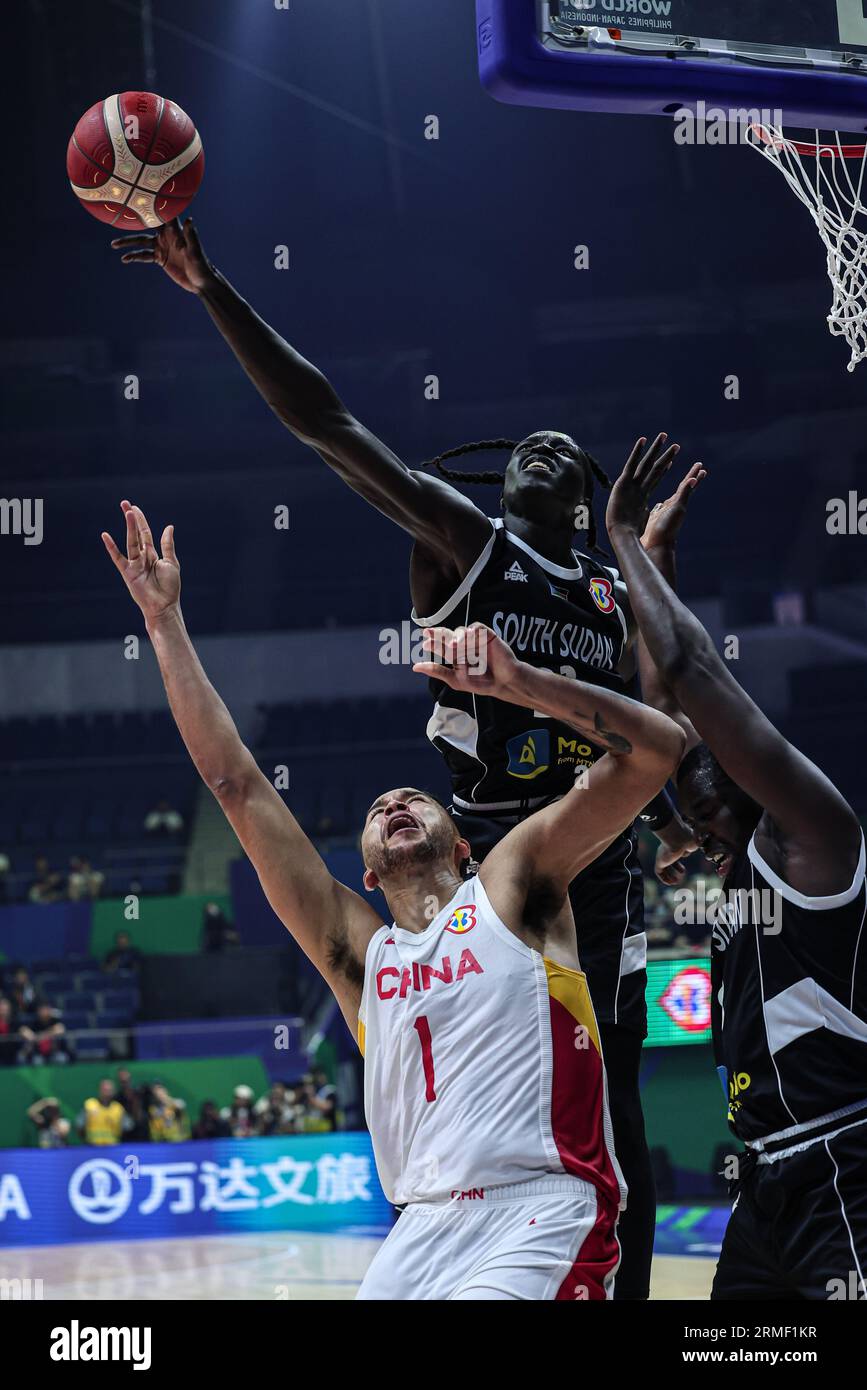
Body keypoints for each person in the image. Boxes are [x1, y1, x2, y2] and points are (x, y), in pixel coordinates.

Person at [109, 218, 696, 1298]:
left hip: (578, 872)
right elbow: (328, 424)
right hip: (523, 886)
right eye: (528, 443)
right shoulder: (472, 542)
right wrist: (211, 286)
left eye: (565, 449)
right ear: (374, 869)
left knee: (623, 1120)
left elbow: (667, 739)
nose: (547, 442)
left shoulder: (612, 600)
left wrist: (644, 581)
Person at [604, 436, 867, 1301]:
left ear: (747, 781)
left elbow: (690, 672)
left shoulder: (816, 837)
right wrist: (662, 557)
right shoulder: (735, 853)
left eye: (701, 804)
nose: (688, 823)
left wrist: (624, 544)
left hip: (844, 1166)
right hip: (760, 1189)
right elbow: (664, 706)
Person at [78, 1079, 131, 1146]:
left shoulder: (118, 1108)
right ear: (100, 1090)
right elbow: (80, 1126)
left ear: (113, 1091)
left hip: (113, 1147)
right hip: (92, 1147)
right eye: (105, 1090)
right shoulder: (90, 1105)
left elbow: (128, 1127)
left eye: (109, 1090)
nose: (107, 1093)